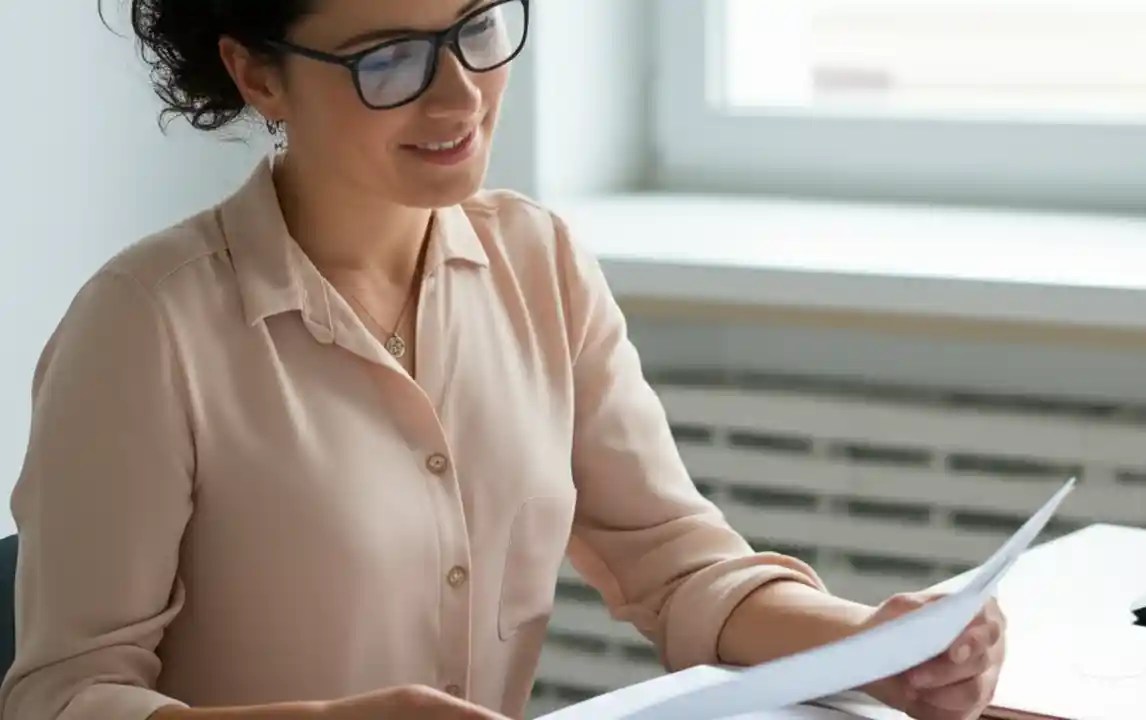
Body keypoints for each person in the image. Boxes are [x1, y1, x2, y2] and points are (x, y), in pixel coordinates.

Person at [0, 2, 1007, 719]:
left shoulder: (541, 262)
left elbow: (675, 563)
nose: (459, 95)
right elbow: (61, 696)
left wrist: (874, 647)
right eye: (387, 58)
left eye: (476, 29)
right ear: (258, 73)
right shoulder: (144, 328)